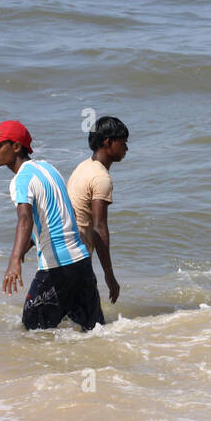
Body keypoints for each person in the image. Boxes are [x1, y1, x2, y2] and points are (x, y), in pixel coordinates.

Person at [0, 119, 103, 331]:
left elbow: (25, 219)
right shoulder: (48, 168)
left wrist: (14, 261)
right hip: (81, 263)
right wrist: (28, 246)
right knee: (93, 331)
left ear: (16, 147)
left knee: (31, 332)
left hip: (57, 268)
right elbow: (54, 216)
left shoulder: (20, 180)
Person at [67, 116, 128, 304]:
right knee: (93, 325)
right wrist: (109, 276)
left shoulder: (83, 167)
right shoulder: (101, 178)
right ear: (108, 142)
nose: (126, 148)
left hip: (65, 252)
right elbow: (99, 228)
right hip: (78, 258)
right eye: (123, 142)